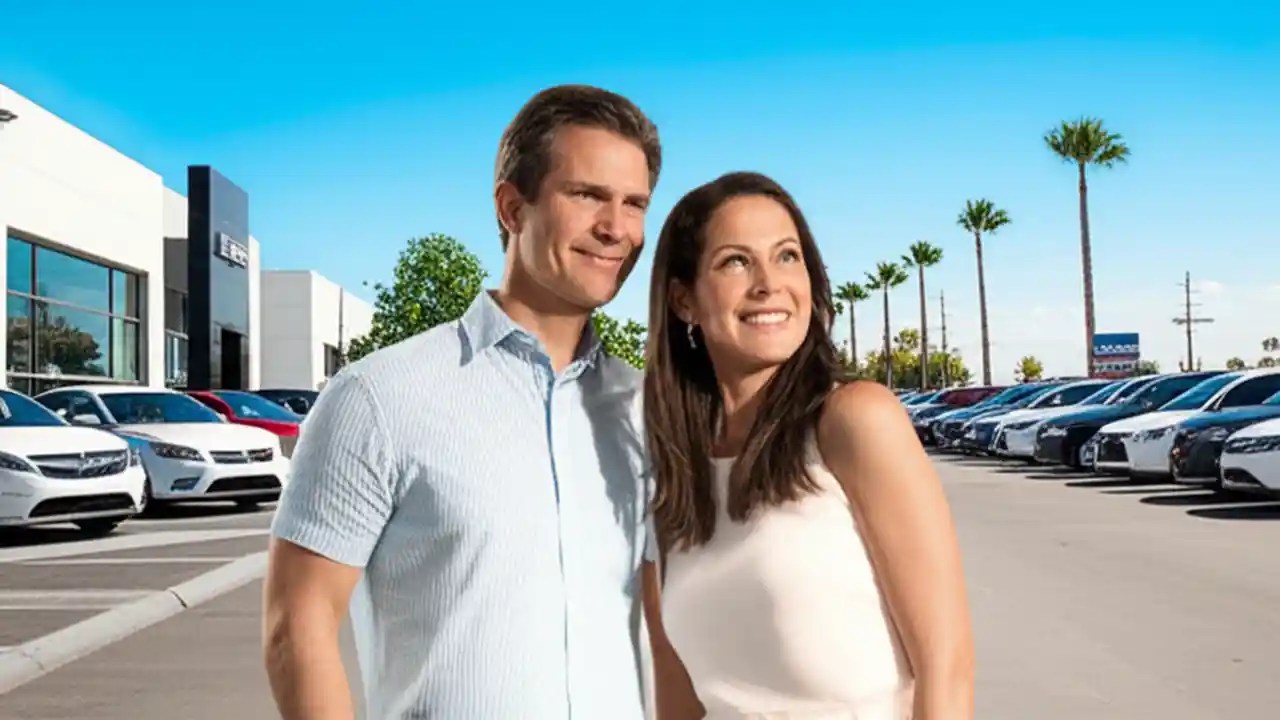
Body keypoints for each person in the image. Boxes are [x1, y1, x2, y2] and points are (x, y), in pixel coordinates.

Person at [262, 84, 663, 719]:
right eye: (587, 195)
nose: (616, 228)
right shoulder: (378, 397)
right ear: (512, 207)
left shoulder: (643, 410)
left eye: (634, 203)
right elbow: (297, 629)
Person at [640, 171, 974, 720]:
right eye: (735, 261)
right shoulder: (669, 466)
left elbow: (947, 665)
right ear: (684, 300)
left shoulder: (854, 420)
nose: (769, 283)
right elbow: (673, 686)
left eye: (787, 256)